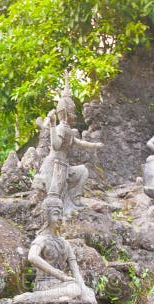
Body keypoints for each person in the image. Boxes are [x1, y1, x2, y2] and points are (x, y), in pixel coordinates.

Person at [31, 81, 103, 217]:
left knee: (83, 171)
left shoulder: (68, 130)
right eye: (72, 112)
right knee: (55, 197)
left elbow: (78, 142)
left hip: (65, 167)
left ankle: (75, 198)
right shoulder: (61, 128)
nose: (74, 114)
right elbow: (56, 145)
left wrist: (95, 145)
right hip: (53, 166)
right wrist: (53, 125)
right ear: (65, 112)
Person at [14, 194, 96, 304]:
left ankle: (64, 296)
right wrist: (59, 275)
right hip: (44, 284)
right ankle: (31, 297)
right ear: (46, 216)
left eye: (61, 214)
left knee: (86, 291)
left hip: (62, 284)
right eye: (56, 214)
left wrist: (84, 291)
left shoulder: (65, 243)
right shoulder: (42, 239)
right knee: (74, 289)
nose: (60, 218)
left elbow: (75, 272)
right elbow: (32, 257)